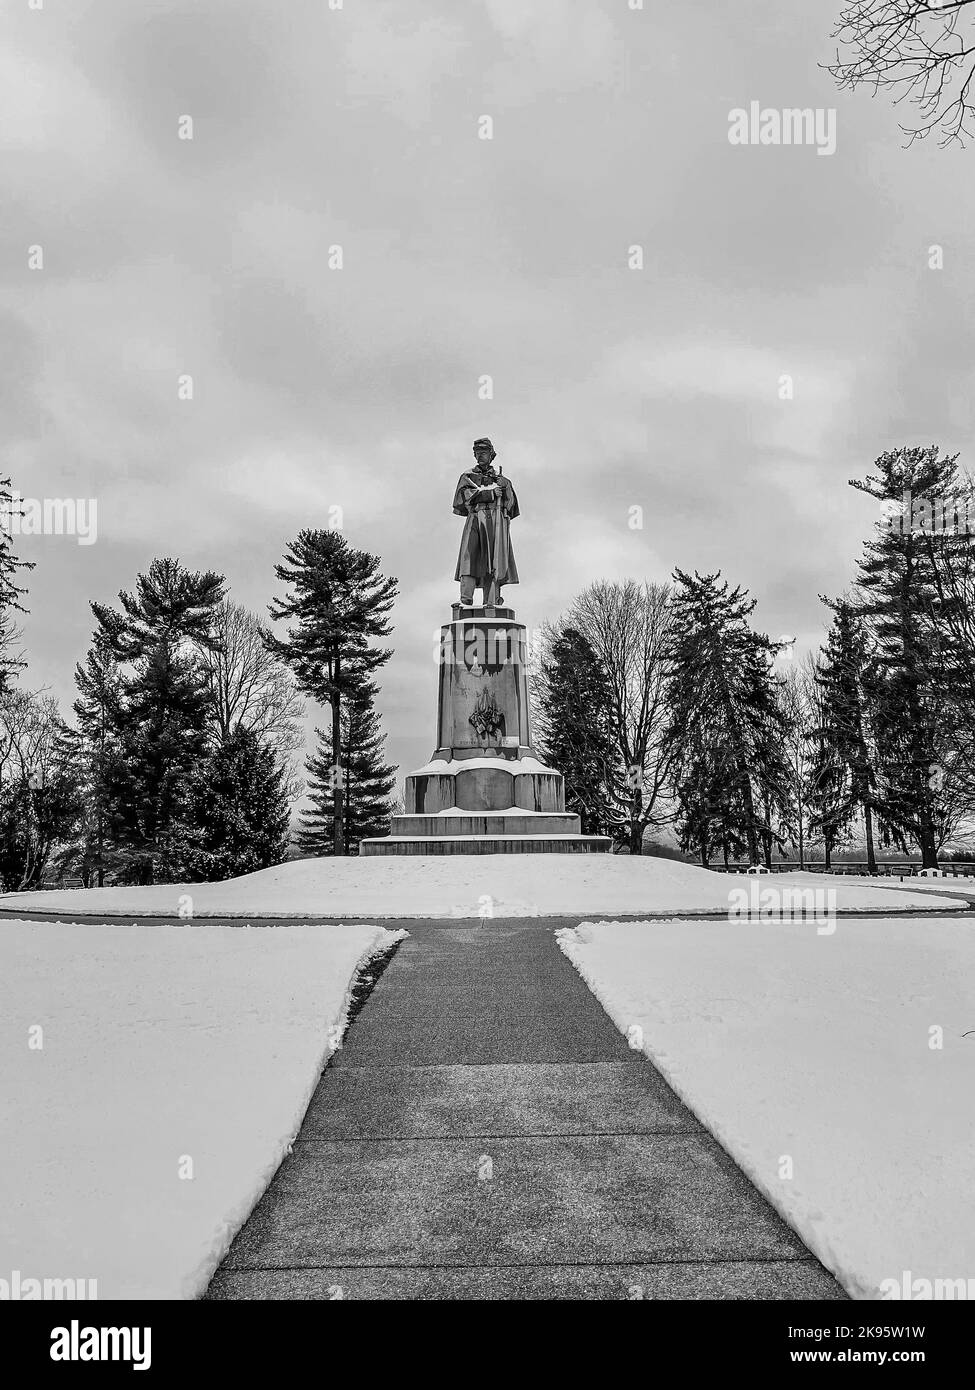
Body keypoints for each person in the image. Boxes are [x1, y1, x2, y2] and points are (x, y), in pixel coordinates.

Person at [452, 437, 519, 607]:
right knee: (470, 558)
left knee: (493, 561)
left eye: (484, 452)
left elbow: (511, 506)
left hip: (495, 522)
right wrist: (489, 494)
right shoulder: (468, 476)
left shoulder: (501, 478)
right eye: (477, 452)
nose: (480, 455)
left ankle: (492, 599)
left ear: (491, 455)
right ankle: (465, 600)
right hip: (476, 519)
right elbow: (464, 498)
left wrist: (506, 489)